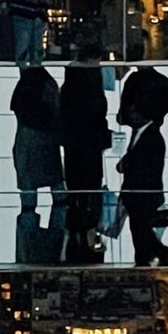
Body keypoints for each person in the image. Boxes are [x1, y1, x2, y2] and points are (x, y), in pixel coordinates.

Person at [118, 63, 168, 266]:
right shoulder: (147, 134)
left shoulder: (150, 139)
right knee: (139, 227)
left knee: (139, 225)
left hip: (141, 194)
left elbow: (145, 170)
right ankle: (149, 256)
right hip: (141, 194)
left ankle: (152, 255)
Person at [61, 45, 113, 261]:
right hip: (89, 146)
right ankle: (85, 226)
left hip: (75, 146)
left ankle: (77, 228)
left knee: (76, 190)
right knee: (90, 188)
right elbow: (98, 112)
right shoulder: (91, 85)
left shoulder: (70, 85)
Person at [11, 63, 66, 241]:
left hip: (28, 142)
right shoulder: (48, 84)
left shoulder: (26, 86)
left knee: (28, 193)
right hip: (47, 142)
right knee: (58, 193)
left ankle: (28, 239)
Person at [7, 0, 51, 70]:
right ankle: (32, 76)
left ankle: (27, 76)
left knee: (25, 50)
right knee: (33, 50)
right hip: (27, 14)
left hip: (23, 13)